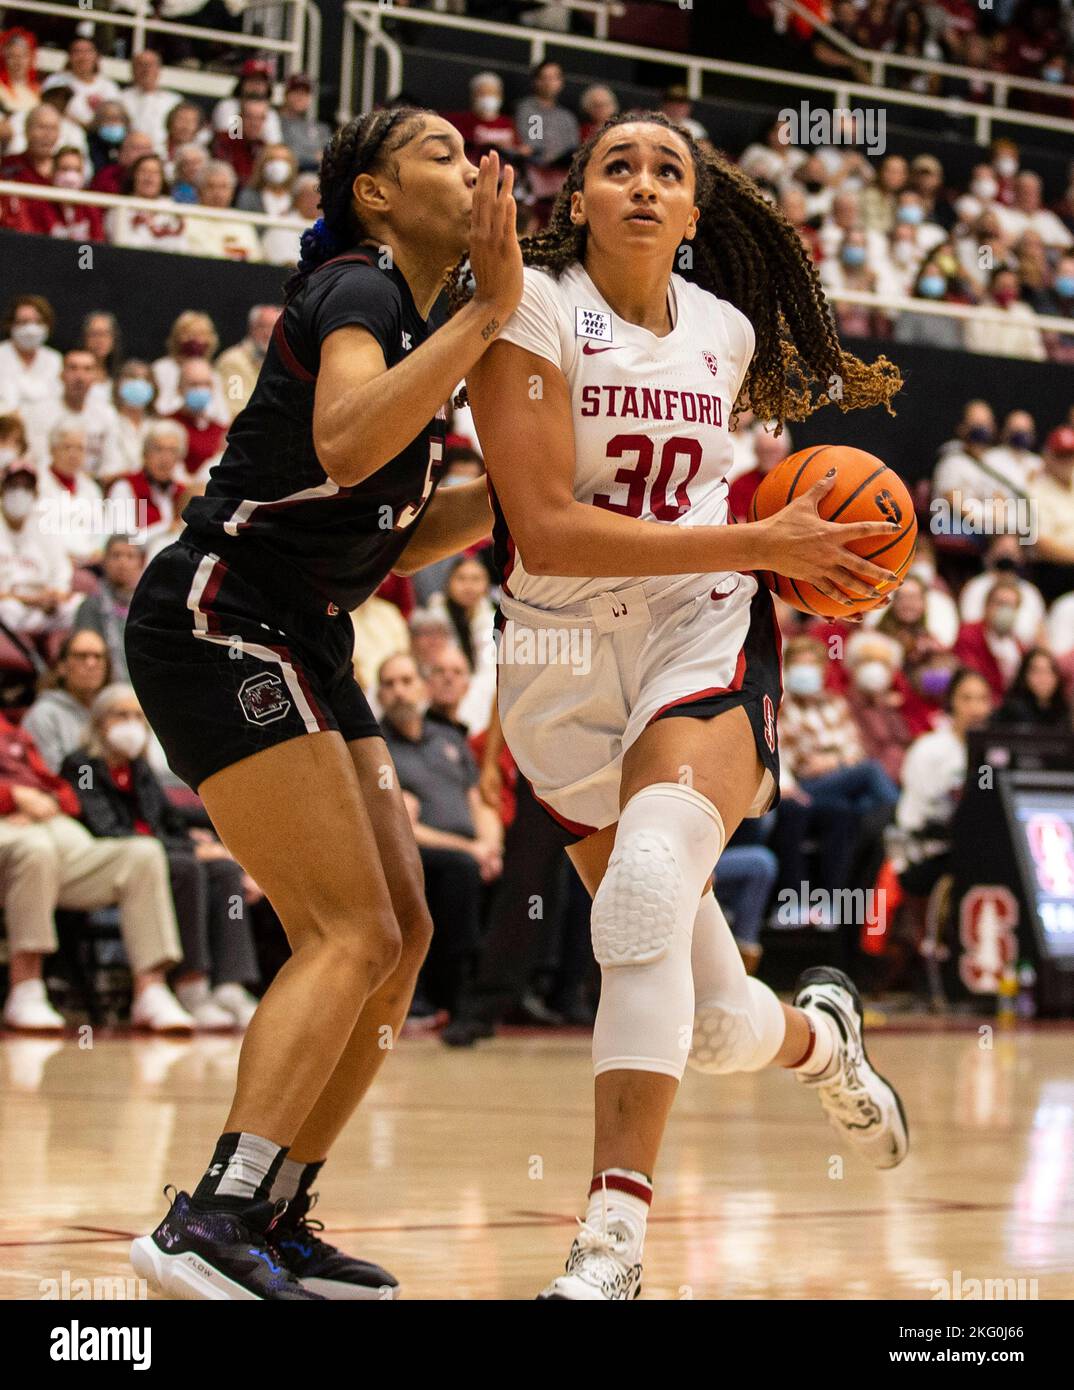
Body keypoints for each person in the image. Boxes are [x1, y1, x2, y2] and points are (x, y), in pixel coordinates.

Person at [461, 110, 908, 1300]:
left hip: (697, 621)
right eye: (620, 167)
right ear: (583, 201)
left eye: (671, 171)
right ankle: (825, 1042)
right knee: (713, 1027)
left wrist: (771, 549)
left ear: (697, 214)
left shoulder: (722, 327)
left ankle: (611, 1240)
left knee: (653, 880)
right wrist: (765, 529)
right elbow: (547, 526)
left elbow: (708, 498)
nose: (647, 185)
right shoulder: (535, 306)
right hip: (556, 654)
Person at [123, 111, 523, 1300]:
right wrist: (487, 314)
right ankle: (211, 1215)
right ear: (375, 194)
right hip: (217, 613)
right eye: (444, 152)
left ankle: (279, 1208)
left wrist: (530, 492)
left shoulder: (416, 325)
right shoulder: (355, 288)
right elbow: (350, 444)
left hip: (306, 629)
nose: (474, 166)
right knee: (347, 929)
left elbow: (398, 530)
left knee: (400, 936)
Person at [62, 685, 261, 1031]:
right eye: (121, 715)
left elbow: (169, 820)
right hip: (112, 860)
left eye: (138, 717)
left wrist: (210, 839)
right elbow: (105, 829)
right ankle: (191, 985)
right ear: (99, 723)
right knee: (188, 867)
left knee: (224, 869)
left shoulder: (139, 768)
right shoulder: (82, 766)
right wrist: (188, 849)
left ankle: (230, 984)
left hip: (159, 853)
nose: (132, 724)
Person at [0, 701, 190, 1034]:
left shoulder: (13, 731)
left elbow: (65, 792)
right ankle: (26, 989)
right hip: (14, 828)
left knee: (141, 854)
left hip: (47, 823)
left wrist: (52, 801)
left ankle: (150, 990)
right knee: (35, 851)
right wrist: (12, 796)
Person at [379, 652, 502, 1017]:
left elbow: (478, 798)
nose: (399, 691)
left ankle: (523, 991)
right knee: (458, 869)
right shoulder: (375, 747)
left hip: (470, 850)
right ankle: (452, 990)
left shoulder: (448, 737)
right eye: (390, 684)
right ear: (380, 695)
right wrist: (472, 849)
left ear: (423, 687)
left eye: (407, 681)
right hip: (415, 850)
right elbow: (400, 828)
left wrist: (491, 846)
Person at [894, 669, 993, 898]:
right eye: (967, 699)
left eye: (982, 700)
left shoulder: (993, 754)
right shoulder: (929, 749)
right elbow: (918, 814)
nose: (975, 709)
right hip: (926, 849)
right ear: (952, 702)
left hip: (978, 847)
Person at [0, 458, 78, 637]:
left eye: (26, 488)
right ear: (2, 489)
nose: (20, 493)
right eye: (14, 486)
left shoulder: (44, 527)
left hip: (42, 609)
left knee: (79, 606)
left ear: (35, 494)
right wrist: (24, 599)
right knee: (7, 611)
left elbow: (61, 574)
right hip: (9, 607)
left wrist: (54, 596)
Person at [24, 348, 121, 482]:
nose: (79, 377)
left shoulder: (107, 413)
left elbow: (112, 463)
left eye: (87, 369)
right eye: (73, 368)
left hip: (94, 486)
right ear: (61, 374)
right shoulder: (40, 412)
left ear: (96, 376)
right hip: (50, 486)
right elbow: (38, 459)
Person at [23, 627, 111, 772]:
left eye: (98, 656)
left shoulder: (117, 710)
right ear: (62, 666)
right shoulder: (44, 715)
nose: (91, 663)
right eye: (81, 656)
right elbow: (52, 776)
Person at [73, 534, 145, 680]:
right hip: (106, 687)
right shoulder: (90, 606)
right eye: (116, 555)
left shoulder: (149, 605)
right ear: (104, 561)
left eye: (130, 556)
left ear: (140, 563)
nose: (122, 562)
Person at [109, 420, 189, 548]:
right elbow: (123, 541)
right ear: (145, 454)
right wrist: (166, 528)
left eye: (172, 451)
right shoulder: (125, 487)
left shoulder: (182, 492)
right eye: (159, 449)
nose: (165, 458)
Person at [953, 576, 1026, 701]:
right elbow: (972, 676)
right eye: (1000, 604)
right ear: (987, 606)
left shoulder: (1017, 644)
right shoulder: (969, 634)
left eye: (1011, 606)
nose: (1005, 611)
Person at [185, 160, 263, 262]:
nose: (218, 194)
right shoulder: (186, 219)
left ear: (232, 192)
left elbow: (255, 259)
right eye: (211, 187)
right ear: (199, 191)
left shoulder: (242, 222)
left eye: (224, 187)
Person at [215, 306, 281, 420]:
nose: (269, 333)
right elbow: (235, 406)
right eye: (263, 327)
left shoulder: (281, 361)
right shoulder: (233, 362)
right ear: (252, 329)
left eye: (274, 327)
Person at [0, 294, 61, 415]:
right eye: (23, 322)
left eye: (38, 322)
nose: (31, 329)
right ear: (10, 324)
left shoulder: (55, 360)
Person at [121, 48, 181, 154]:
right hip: (131, 155)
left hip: (164, 155)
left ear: (159, 69)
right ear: (132, 70)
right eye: (141, 65)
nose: (146, 70)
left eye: (151, 65)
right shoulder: (121, 98)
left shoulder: (174, 101)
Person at [993, 647, 1071, 727]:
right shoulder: (1010, 711)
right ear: (1024, 675)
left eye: (1049, 671)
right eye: (1037, 671)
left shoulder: (1065, 711)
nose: (1043, 678)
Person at [277, 73, 330, 172]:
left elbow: (330, 156)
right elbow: (288, 156)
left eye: (305, 93)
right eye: (296, 92)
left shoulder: (320, 128)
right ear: (286, 94)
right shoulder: (275, 122)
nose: (300, 97)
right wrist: (315, 157)